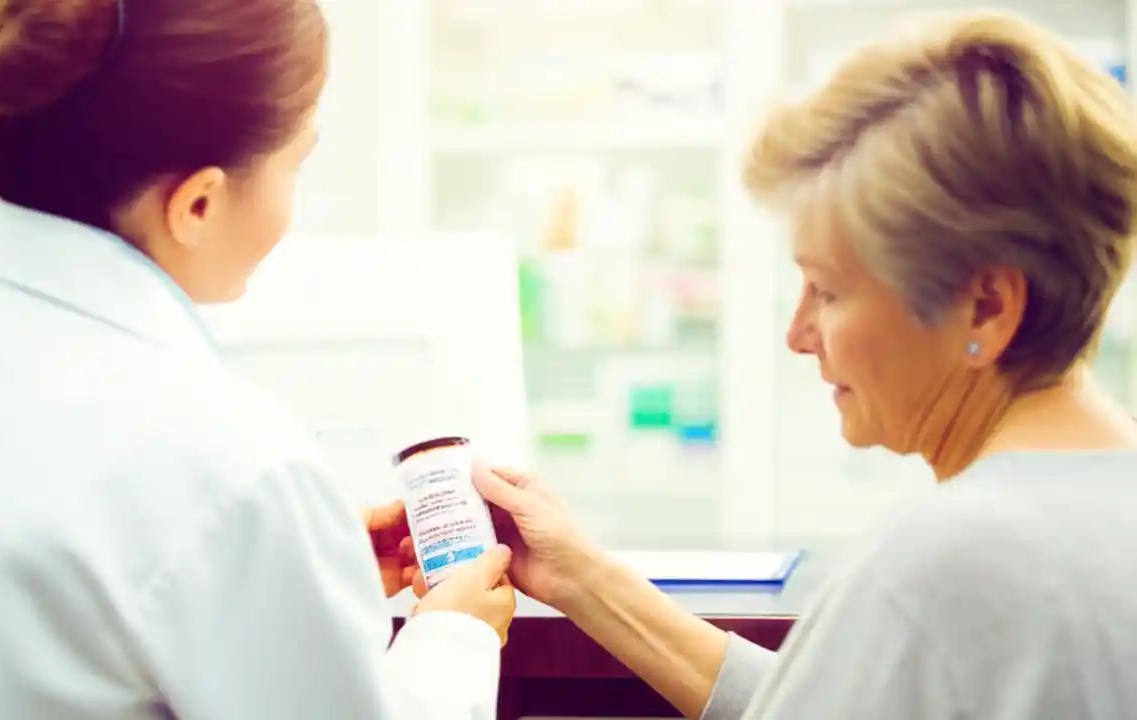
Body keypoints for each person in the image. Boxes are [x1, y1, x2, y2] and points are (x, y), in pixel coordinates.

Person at [472, 11, 1137, 720]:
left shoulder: (950, 562)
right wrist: (585, 580)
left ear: (984, 307)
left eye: (828, 289)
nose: (798, 334)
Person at [0, 1, 514, 718]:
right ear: (197, 204)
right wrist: (454, 639)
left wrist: (293, 568)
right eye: (296, 166)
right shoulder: (232, 466)